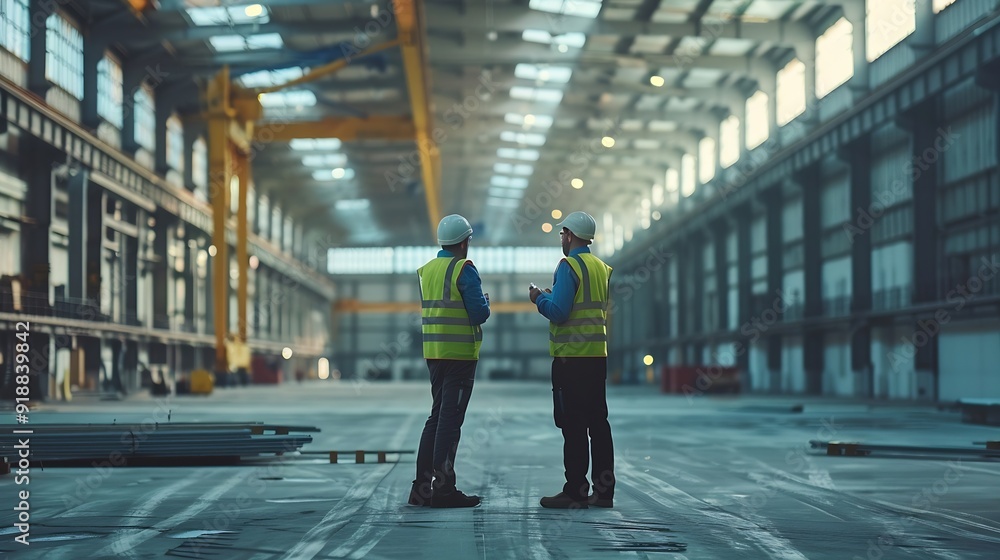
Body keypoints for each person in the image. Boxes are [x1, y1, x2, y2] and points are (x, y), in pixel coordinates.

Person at [529, 211, 616, 509]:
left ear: (569, 235)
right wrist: (555, 297)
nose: (561, 240)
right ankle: (604, 492)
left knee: (573, 425)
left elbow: (560, 313)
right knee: (599, 424)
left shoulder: (569, 266)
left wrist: (539, 298)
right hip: (596, 358)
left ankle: (576, 489)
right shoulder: (601, 268)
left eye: (562, 235)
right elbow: (581, 306)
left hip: (571, 360)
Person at [409, 214, 490, 508]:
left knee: (436, 418)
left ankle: (421, 488)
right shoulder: (464, 268)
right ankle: (443, 489)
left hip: (435, 354)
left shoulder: (426, 270)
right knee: (449, 422)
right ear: (464, 242)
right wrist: (487, 302)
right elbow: (478, 313)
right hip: (459, 357)